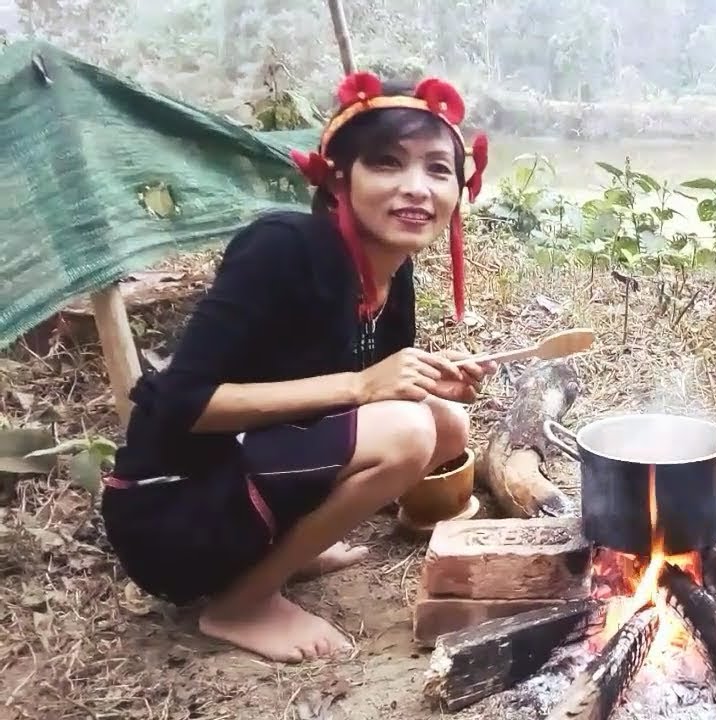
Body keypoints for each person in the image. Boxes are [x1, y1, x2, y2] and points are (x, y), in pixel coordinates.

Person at [99, 71, 495, 663]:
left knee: (443, 423)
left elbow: (373, 391)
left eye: (438, 169)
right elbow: (183, 404)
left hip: (243, 475)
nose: (417, 188)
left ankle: (285, 549)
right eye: (387, 163)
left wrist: (420, 376)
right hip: (171, 512)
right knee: (409, 432)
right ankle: (241, 604)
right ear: (338, 178)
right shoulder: (282, 248)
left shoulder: (394, 271)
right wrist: (364, 384)